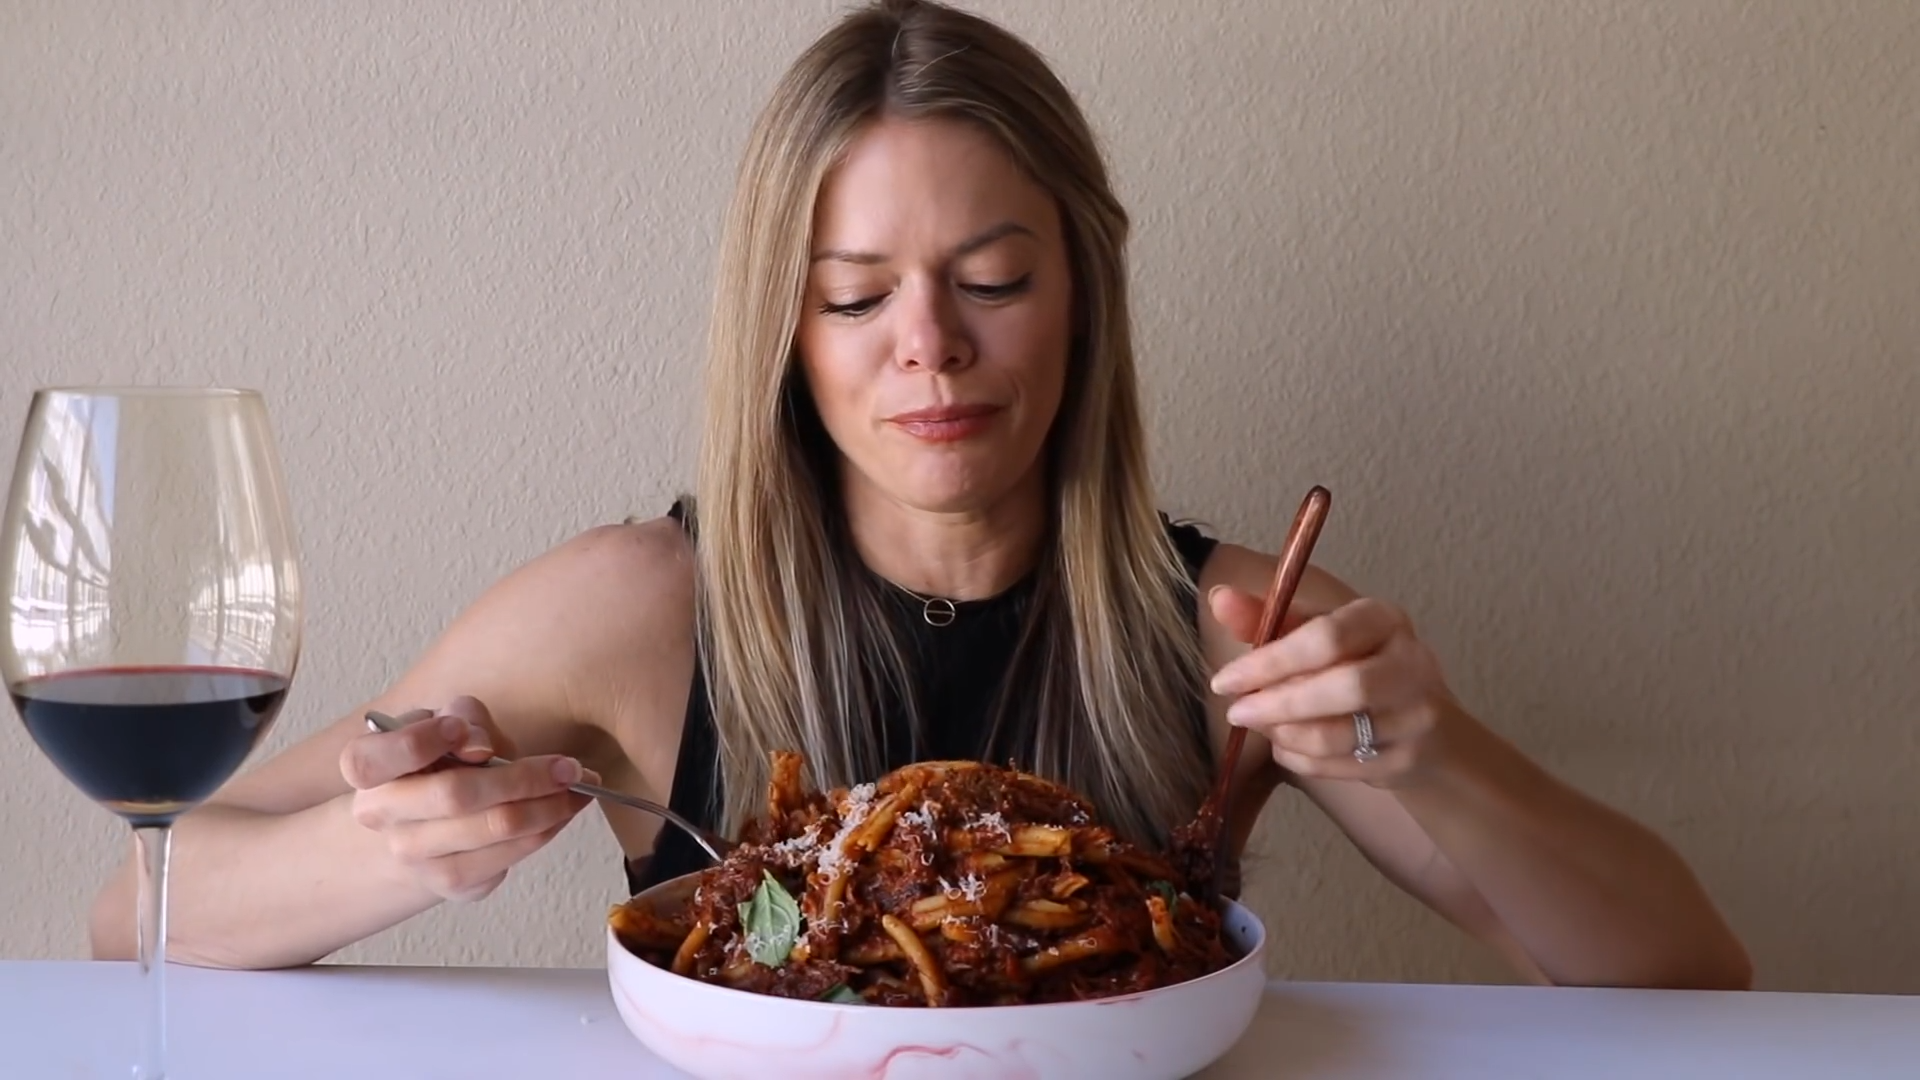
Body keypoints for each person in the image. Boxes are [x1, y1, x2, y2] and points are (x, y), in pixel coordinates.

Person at [88, 0, 1750, 990]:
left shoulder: (1235, 626)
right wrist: (396, 855)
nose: (931, 351)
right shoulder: (637, 610)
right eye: (856, 294)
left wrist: (1430, 746)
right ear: (784, 334)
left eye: (996, 276)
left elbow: (1683, 974)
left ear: (1083, 292)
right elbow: (133, 910)